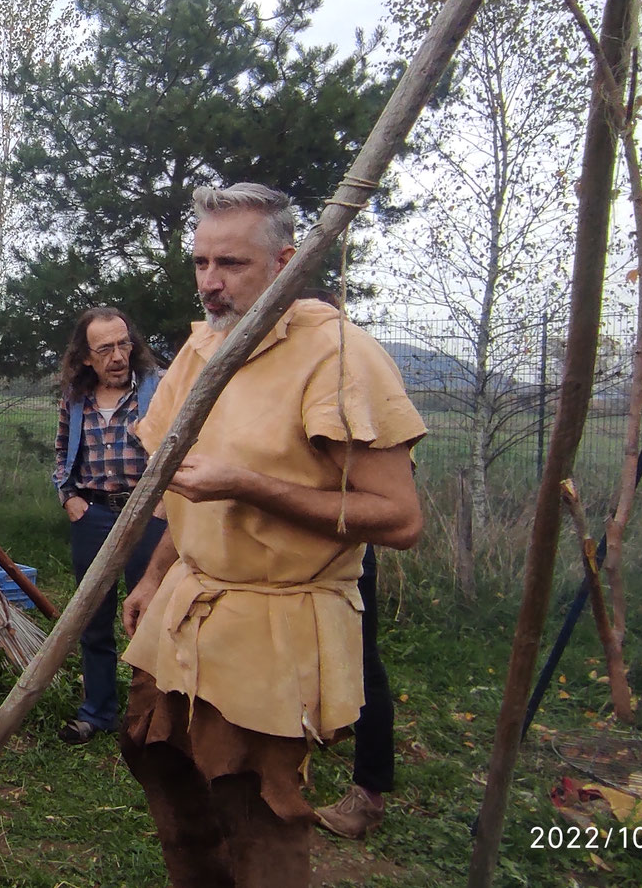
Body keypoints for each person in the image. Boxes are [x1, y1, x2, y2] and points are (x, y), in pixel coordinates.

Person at [116, 183, 425, 886]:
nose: (210, 282)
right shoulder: (204, 348)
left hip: (275, 626)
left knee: (254, 808)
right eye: (201, 263)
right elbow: (187, 487)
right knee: (163, 768)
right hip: (186, 609)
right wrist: (156, 574)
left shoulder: (337, 356)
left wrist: (251, 486)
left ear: (286, 263)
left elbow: (400, 518)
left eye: (231, 264)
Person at [295, 289, 396, 839]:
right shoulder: (286, 375)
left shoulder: (349, 371)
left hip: (341, 555)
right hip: (284, 562)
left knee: (361, 662)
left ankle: (369, 792)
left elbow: (388, 498)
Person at [50, 307, 167, 746]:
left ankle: (151, 718)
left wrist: (165, 505)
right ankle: (97, 712)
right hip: (93, 515)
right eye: (104, 349)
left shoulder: (159, 387)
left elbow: (185, 444)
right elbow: (61, 452)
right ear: (85, 357)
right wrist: (69, 497)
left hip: (148, 514)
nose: (117, 356)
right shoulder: (75, 397)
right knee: (93, 617)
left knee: (152, 616)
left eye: (123, 344)